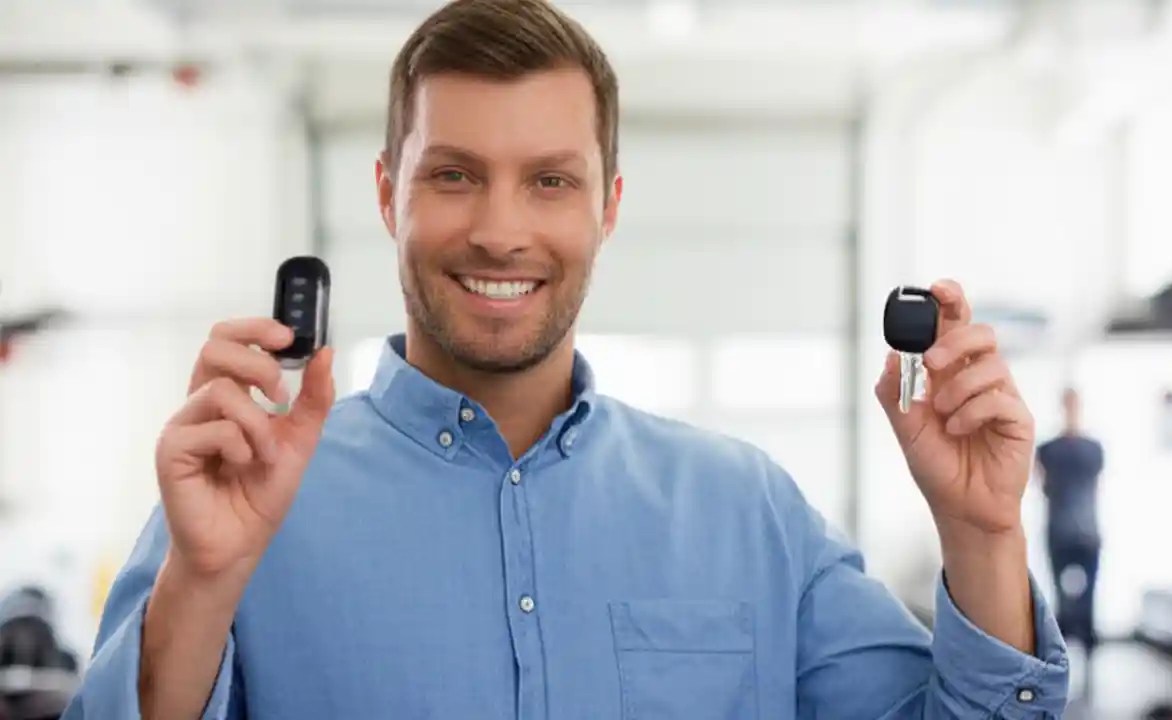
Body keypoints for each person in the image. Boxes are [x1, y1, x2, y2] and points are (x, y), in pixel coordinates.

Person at [62, 1, 1068, 717]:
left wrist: (980, 532)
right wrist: (201, 581)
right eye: (453, 175)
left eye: (548, 180)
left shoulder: (746, 510)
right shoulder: (241, 503)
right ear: (386, 194)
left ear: (608, 205)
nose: (501, 232)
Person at [1036, 388, 1105, 663]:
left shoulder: (1093, 449)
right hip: (1059, 529)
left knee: (1088, 598)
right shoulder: (1048, 449)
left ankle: (1085, 652)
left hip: (1087, 530)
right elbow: (1039, 484)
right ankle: (1063, 657)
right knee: (1060, 596)